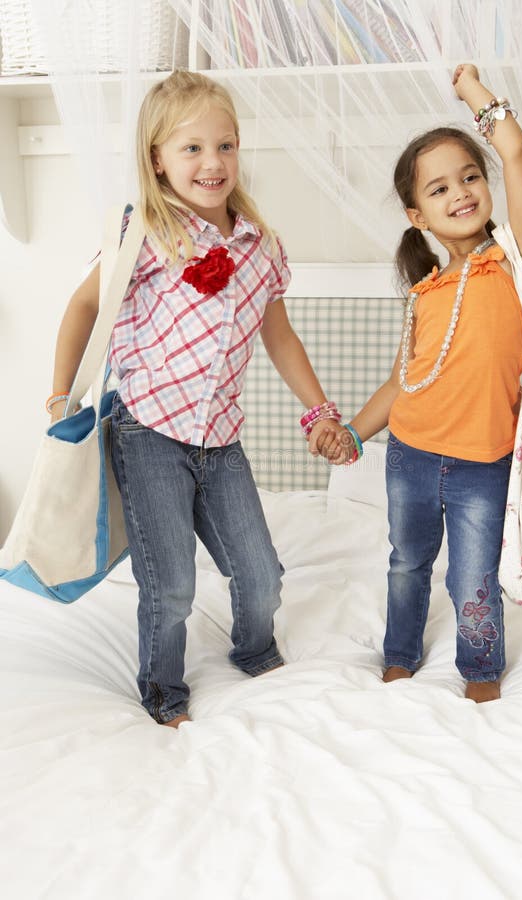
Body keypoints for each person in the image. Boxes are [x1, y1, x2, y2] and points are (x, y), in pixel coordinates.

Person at [47, 70, 345, 727]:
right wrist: (60, 394)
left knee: (261, 573)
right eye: (192, 148)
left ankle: (255, 652)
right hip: (147, 431)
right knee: (172, 584)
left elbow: (280, 337)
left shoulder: (262, 248)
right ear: (157, 157)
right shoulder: (144, 233)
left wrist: (319, 410)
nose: (213, 162)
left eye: (227, 145)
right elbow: (83, 306)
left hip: (221, 439)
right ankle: (164, 691)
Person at [313, 63, 522, 703]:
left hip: (480, 464)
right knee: (406, 564)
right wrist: (351, 437)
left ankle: (480, 673)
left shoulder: (514, 266)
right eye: (439, 188)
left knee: (473, 577)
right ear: (418, 215)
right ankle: (398, 658)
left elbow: (518, 154)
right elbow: (399, 385)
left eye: (470, 177)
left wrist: (473, 92)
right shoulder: (424, 293)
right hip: (410, 457)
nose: (461, 192)